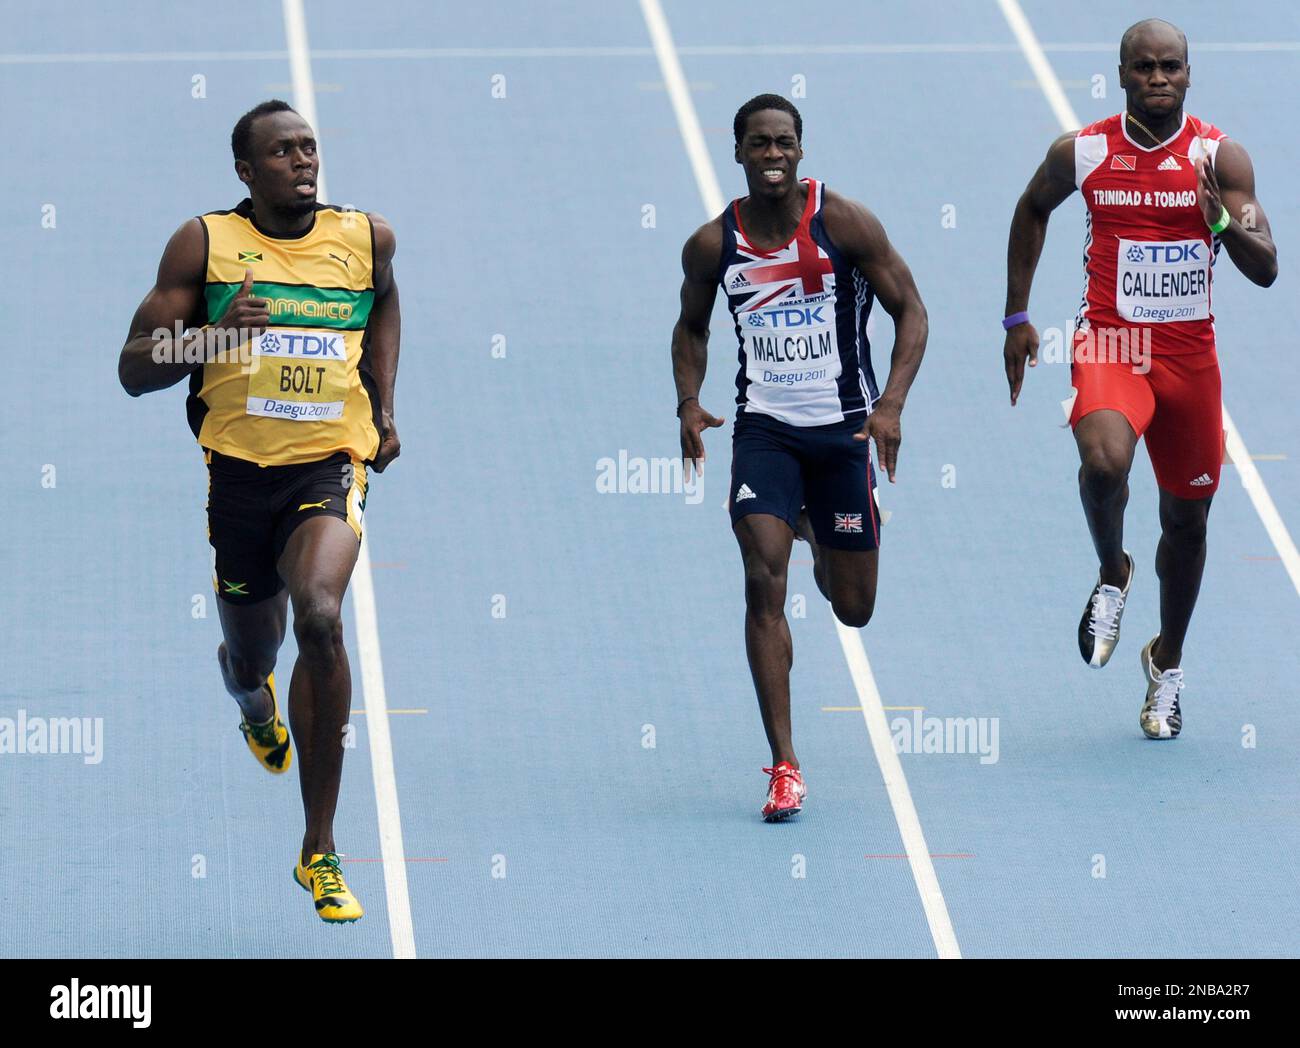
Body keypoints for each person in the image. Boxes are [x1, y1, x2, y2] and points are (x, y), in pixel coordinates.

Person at [118, 100, 402, 920]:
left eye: (309, 147)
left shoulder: (365, 238)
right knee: (255, 651)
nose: (302, 161)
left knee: (320, 616)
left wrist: (384, 409)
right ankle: (251, 699)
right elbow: (134, 369)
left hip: (327, 465)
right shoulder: (204, 245)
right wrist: (211, 337)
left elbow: (384, 302)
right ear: (246, 171)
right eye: (282, 152)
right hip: (239, 481)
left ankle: (319, 849)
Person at [1002, 19, 1277, 738]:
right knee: (1102, 464)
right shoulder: (1084, 151)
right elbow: (1032, 208)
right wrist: (1016, 317)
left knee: (1187, 525)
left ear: (1189, 74)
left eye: (1172, 67)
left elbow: (1267, 267)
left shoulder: (1220, 157)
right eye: (1145, 68)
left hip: (1190, 360)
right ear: (1120, 75)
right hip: (1113, 345)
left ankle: (1168, 664)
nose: (1159, 79)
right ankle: (1113, 572)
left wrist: (1219, 222)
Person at [672, 94, 928, 820]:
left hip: (843, 432)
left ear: (801, 150)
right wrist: (688, 403)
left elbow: (913, 308)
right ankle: (784, 764)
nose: (773, 155)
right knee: (762, 579)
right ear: (740, 153)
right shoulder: (713, 245)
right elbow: (690, 329)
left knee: (854, 608)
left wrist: (891, 406)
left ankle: (820, 528)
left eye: (785, 142)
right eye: (759, 144)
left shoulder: (842, 223)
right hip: (766, 434)